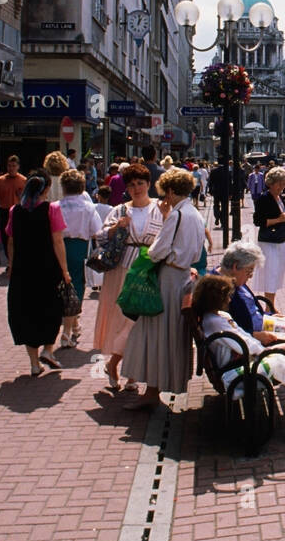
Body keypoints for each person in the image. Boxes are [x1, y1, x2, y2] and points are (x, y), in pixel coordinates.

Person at [194, 275, 285, 422]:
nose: (229, 299)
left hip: (244, 357)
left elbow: (242, 338)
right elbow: (242, 343)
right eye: (226, 296)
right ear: (215, 299)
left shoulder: (217, 316)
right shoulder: (215, 322)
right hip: (237, 367)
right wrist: (263, 350)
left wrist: (260, 347)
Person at [121, 169, 205, 410]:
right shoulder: (194, 214)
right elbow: (197, 252)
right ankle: (163, 384)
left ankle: (152, 390)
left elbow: (158, 250)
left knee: (155, 332)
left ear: (169, 190)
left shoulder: (177, 215)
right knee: (172, 334)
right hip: (182, 276)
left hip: (168, 277)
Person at [93, 164, 164, 391]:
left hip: (149, 269)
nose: (136, 188)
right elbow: (99, 237)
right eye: (131, 185)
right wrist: (116, 228)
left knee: (141, 323)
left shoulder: (160, 208)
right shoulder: (120, 210)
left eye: (140, 183)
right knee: (122, 320)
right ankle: (115, 364)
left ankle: (130, 371)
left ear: (149, 184)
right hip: (123, 270)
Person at [6, 172, 72, 375]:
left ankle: (34, 363)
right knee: (51, 309)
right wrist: (64, 270)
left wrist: (11, 265)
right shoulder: (51, 209)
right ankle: (48, 349)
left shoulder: (14, 210)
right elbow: (58, 241)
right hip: (47, 268)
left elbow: (10, 241)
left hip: (22, 269)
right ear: (45, 190)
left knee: (25, 312)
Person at [57, 170, 100, 348]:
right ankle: (68, 330)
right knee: (76, 287)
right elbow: (97, 231)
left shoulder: (55, 206)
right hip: (79, 248)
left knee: (62, 287)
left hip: (58, 247)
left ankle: (72, 325)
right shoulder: (89, 208)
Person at [251, 167, 285, 312]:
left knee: (276, 273)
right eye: (278, 184)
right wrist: (276, 220)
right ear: (270, 183)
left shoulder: (280, 198)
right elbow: (258, 221)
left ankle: (270, 306)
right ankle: (269, 307)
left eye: (283, 184)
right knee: (270, 273)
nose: (281, 187)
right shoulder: (264, 198)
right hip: (268, 243)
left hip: (279, 242)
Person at [0, 155, 26, 264]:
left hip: (18, 212)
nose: (11, 168)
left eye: (14, 166)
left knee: (18, 238)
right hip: (4, 212)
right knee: (5, 238)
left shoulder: (23, 180)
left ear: (18, 167)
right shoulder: (0, 181)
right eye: (9, 166)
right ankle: (10, 260)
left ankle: (17, 261)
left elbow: (27, 199)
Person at [86, 186, 115, 294]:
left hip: (94, 235)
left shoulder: (93, 207)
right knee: (103, 258)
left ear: (98, 196)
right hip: (105, 236)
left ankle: (94, 282)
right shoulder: (111, 209)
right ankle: (101, 282)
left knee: (93, 257)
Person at [209, 159, 231, 232]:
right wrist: (230, 193)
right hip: (225, 191)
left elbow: (210, 182)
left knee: (216, 205)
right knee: (224, 207)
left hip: (216, 191)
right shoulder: (227, 171)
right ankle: (223, 222)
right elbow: (230, 183)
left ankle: (217, 216)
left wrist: (210, 191)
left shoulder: (213, 171)